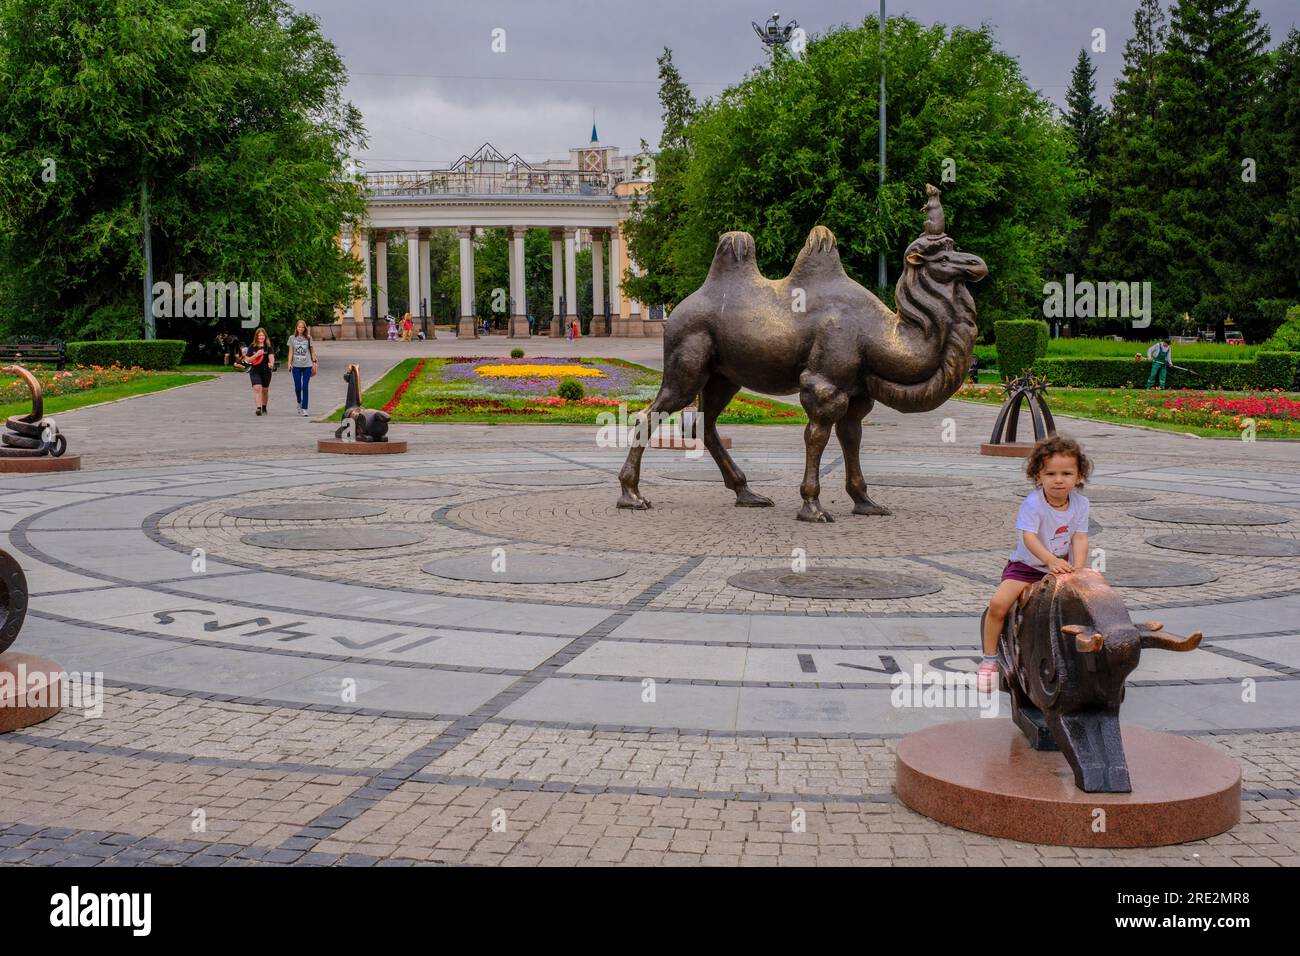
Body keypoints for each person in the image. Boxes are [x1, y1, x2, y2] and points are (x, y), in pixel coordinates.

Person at [978, 434, 1093, 692]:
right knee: (998, 604)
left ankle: (1077, 657)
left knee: (1082, 604)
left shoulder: (1080, 503)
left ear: (1079, 476)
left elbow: (1080, 537)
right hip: (1027, 567)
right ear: (1038, 476)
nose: (1059, 480)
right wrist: (1050, 560)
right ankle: (989, 660)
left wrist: (1079, 568)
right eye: (1050, 474)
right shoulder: (1033, 504)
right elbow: (1028, 537)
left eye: (1066, 473)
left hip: (1059, 568)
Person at [287, 320, 318, 417]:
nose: (301, 329)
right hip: (296, 365)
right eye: (299, 327)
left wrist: (314, 362)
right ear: (296, 328)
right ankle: (299, 402)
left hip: (307, 365)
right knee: (297, 387)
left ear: (305, 328)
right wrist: (289, 363)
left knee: (305, 386)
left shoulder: (308, 338)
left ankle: (304, 408)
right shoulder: (292, 338)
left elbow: (312, 351)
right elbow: (291, 352)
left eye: (302, 327)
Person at [242, 327, 276, 416]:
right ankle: (258, 408)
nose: (261, 337)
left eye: (263, 335)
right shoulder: (252, 346)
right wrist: (256, 355)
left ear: (265, 336)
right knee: (257, 388)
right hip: (255, 370)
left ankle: (264, 406)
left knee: (265, 390)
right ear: (256, 336)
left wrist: (271, 363)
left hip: (266, 371)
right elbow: (248, 360)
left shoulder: (268, 346)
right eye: (259, 335)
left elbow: (271, 357)